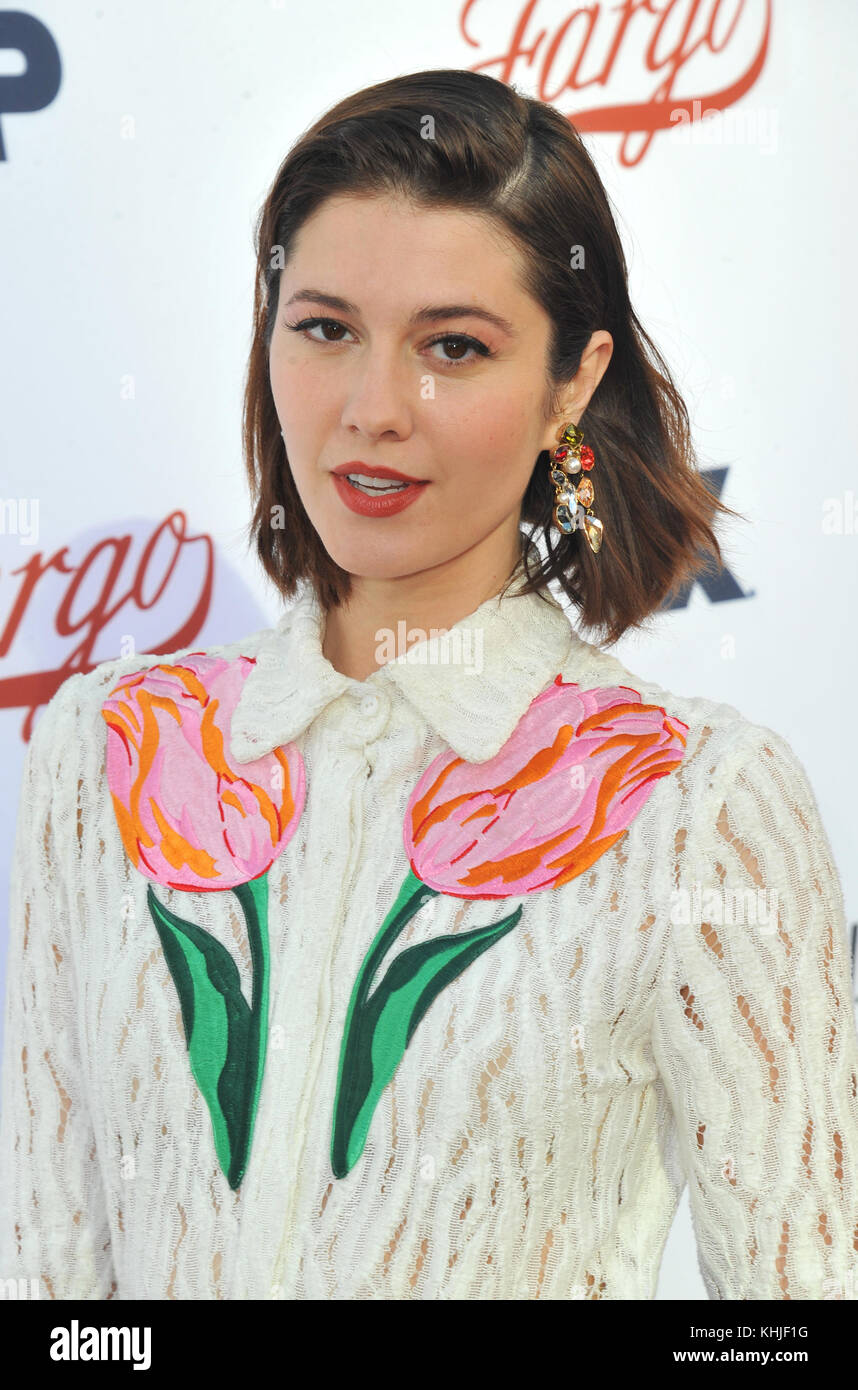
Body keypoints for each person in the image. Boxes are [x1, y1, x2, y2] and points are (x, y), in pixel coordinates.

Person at [1, 67, 856, 1302]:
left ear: (573, 379)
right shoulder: (107, 749)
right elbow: (49, 1283)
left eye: (454, 347)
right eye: (326, 328)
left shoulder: (699, 805)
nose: (372, 410)